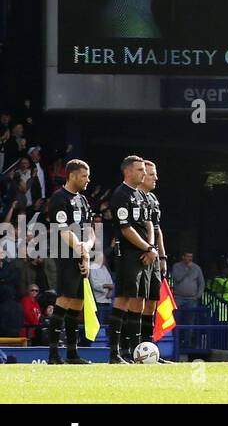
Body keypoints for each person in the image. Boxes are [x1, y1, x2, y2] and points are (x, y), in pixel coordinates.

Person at [42, 158, 94, 364]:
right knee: (63, 301)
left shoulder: (83, 200)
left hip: (82, 256)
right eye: (84, 175)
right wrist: (81, 250)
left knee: (77, 305)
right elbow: (63, 231)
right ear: (72, 175)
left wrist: (87, 249)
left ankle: (72, 354)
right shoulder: (58, 198)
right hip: (65, 256)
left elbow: (90, 230)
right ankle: (53, 354)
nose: (88, 180)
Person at [106, 156, 156, 364]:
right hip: (128, 254)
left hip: (145, 255)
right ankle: (114, 353)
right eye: (139, 170)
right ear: (127, 172)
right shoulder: (120, 194)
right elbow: (126, 229)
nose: (143, 174)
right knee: (123, 299)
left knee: (139, 303)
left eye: (144, 170)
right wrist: (147, 247)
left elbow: (148, 223)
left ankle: (134, 353)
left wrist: (151, 248)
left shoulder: (141, 196)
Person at [139, 160, 167, 354]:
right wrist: (148, 249)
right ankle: (133, 347)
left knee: (152, 302)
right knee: (137, 302)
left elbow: (157, 230)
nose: (155, 178)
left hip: (155, 256)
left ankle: (148, 349)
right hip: (140, 255)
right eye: (151, 174)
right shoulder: (133, 198)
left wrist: (163, 257)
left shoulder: (154, 199)